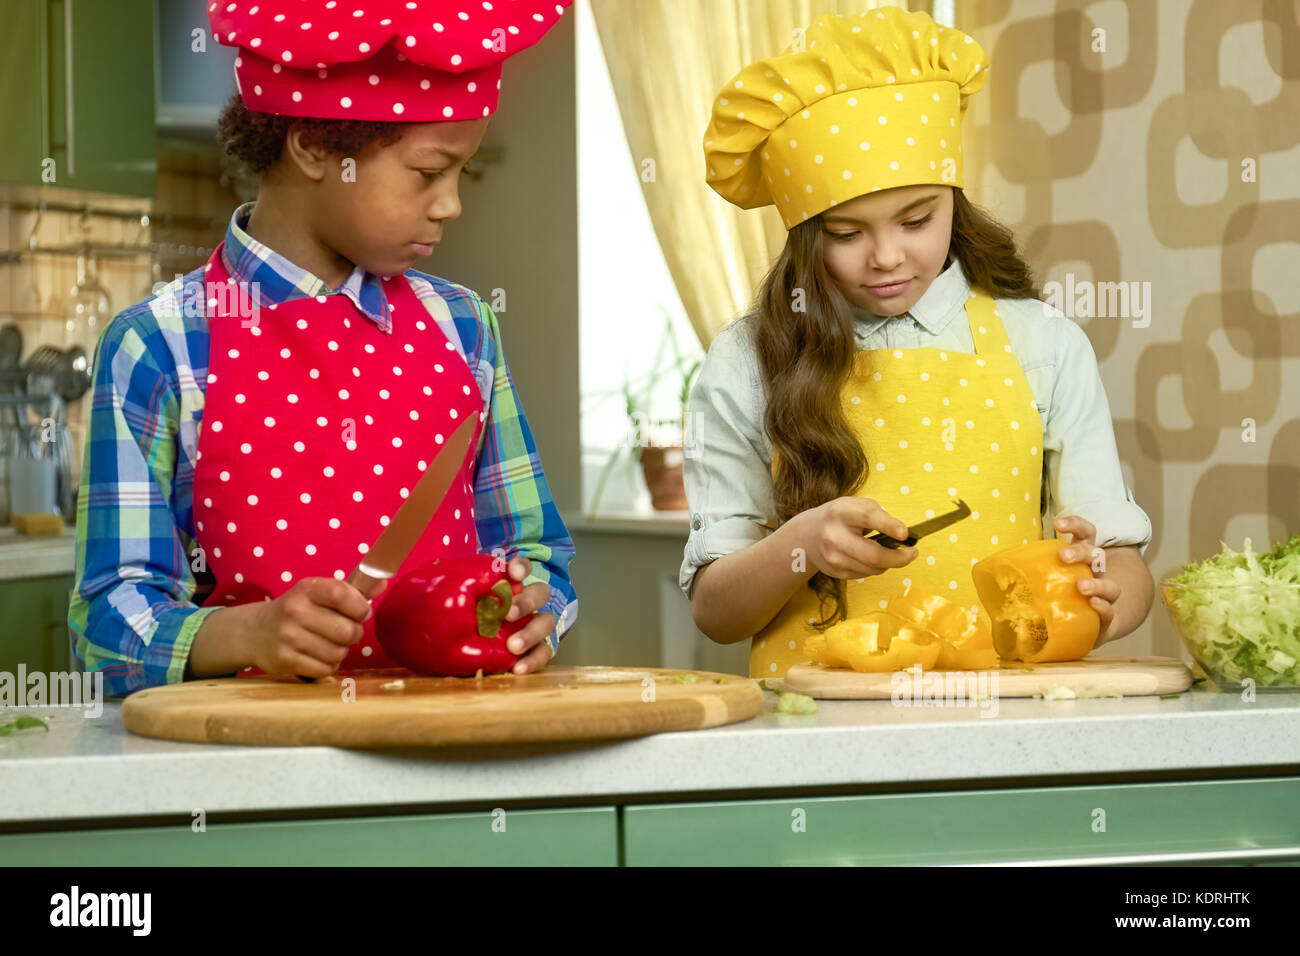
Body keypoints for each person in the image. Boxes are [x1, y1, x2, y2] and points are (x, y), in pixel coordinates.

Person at [70, 0, 577, 695]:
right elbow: (104, 625)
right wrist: (244, 633)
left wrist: (534, 608)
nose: (450, 204)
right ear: (311, 146)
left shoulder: (464, 327)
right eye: (428, 173)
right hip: (254, 767)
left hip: (459, 747)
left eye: (463, 172)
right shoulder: (160, 344)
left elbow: (534, 551)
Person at [682, 7, 1154, 678]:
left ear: (955, 201)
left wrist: (1105, 596)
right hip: (810, 733)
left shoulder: (1042, 344)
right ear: (806, 234)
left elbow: (1126, 567)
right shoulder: (745, 361)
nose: (887, 257)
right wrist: (802, 547)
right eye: (847, 233)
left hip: (999, 727)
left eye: (917, 219)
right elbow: (714, 611)